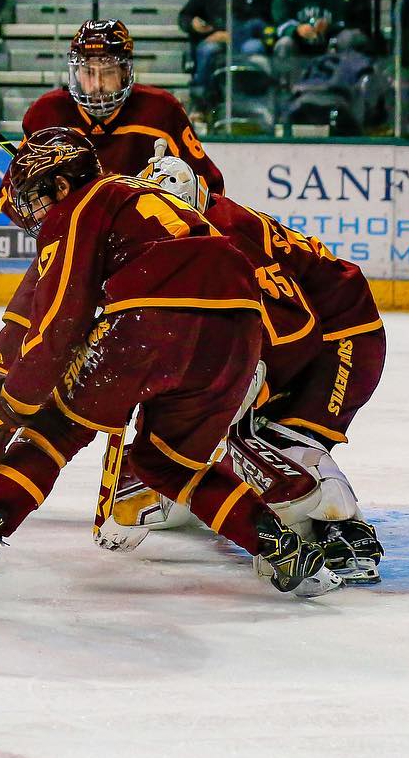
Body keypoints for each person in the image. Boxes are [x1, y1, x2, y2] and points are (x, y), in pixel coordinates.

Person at [0, 127, 340, 604]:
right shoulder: (139, 197)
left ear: (63, 185)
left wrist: (12, 404)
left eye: (36, 196)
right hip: (238, 331)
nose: (34, 212)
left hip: (153, 319)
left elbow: (57, 326)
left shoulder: (79, 209)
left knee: (55, 429)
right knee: (169, 463)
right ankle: (279, 547)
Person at [0, 20, 224, 506]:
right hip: (70, 253)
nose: (97, 83)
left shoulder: (161, 112)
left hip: (141, 266)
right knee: (19, 333)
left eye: (108, 71)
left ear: (127, 72)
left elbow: (207, 188)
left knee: (137, 360)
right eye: (88, 72)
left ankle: (143, 478)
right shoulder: (47, 113)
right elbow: (18, 202)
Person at [138, 152, 386, 583]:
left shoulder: (227, 238)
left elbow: (297, 329)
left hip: (342, 336)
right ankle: (326, 527)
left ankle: (347, 533)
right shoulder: (206, 224)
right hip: (322, 334)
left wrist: (255, 385)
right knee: (257, 436)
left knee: (269, 438)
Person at [178, 0, 272, 116]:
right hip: (215, 41)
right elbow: (185, 17)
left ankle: (255, 106)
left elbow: (263, 24)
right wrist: (194, 23)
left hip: (246, 42)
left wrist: (233, 36)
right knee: (208, 50)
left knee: (255, 47)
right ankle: (201, 105)